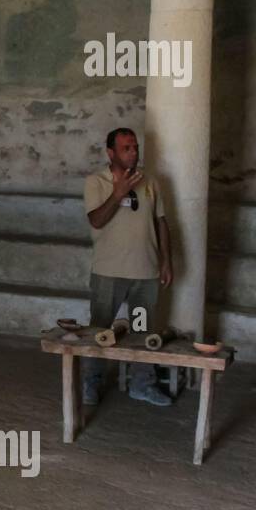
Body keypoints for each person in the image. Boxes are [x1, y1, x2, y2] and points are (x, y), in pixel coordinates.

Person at [82, 127, 174, 407]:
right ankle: (91, 384)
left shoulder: (150, 182)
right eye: (126, 148)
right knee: (99, 329)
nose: (133, 153)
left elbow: (161, 222)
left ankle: (142, 385)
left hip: (145, 273)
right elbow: (96, 221)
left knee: (142, 331)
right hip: (109, 271)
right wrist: (118, 191)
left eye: (135, 147)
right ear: (110, 152)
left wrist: (166, 261)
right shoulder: (96, 182)